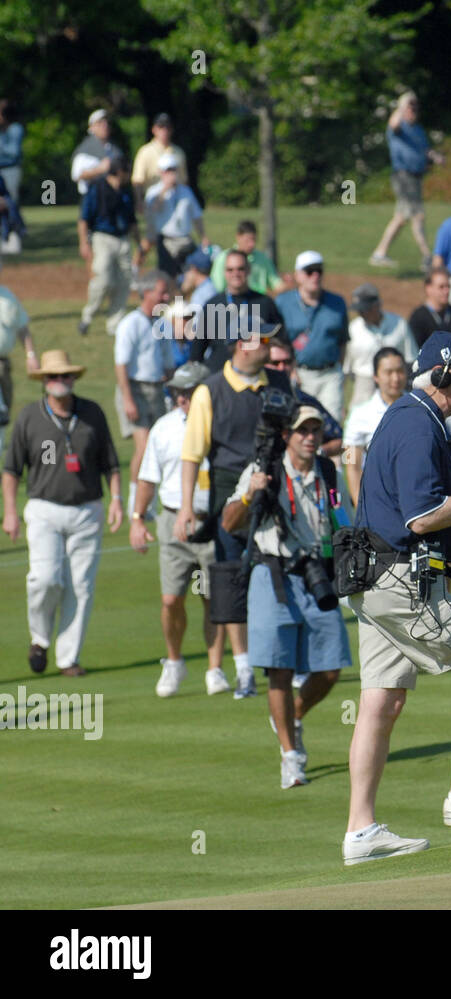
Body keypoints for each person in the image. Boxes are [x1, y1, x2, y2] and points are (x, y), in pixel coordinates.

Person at [343, 333, 451, 861]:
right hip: (399, 579)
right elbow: (422, 516)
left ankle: (361, 831)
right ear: (447, 374)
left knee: (382, 699)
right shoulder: (415, 422)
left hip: (375, 579)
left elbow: (438, 518)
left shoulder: (415, 417)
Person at [222, 405, 352, 788]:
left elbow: (345, 519)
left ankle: (292, 717)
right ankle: (290, 754)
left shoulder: (329, 472)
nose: (310, 436)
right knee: (278, 669)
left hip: (317, 574)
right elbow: (228, 523)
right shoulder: (265, 469)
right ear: (287, 435)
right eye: (302, 430)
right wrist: (250, 495)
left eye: (315, 429)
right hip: (272, 572)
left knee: (330, 669)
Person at [176, 319, 293, 699]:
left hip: (274, 486)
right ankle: (244, 668)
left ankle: (283, 660)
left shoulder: (278, 384)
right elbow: (192, 454)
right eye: (265, 341)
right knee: (233, 578)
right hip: (229, 492)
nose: (273, 349)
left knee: (282, 572)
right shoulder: (209, 391)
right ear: (244, 344)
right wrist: (185, 508)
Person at [3, 350, 122, 677]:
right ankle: (39, 638)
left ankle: (68, 658)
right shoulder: (29, 416)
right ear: (44, 381)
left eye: (65, 376)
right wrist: (10, 512)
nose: (59, 382)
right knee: (45, 580)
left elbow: (111, 463)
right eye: (53, 377)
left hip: (87, 510)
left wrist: (117, 500)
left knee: (80, 586)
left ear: (73, 378)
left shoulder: (92, 413)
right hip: (44, 509)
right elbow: (12, 469)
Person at [129, 362, 228, 696]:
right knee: (171, 599)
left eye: (189, 392)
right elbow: (147, 477)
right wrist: (137, 518)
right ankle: (174, 662)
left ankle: (215, 668)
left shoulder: (222, 423)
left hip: (212, 521)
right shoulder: (164, 427)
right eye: (178, 393)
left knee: (212, 598)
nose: (182, 399)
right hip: (173, 520)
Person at [113, 271, 173, 507]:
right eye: (162, 292)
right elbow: (121, 365)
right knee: (145, 445)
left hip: (156, 389)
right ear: (147, 293)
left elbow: (168, 365)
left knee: (157, 445)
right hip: (135, 388)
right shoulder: (131, 323)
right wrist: (127, 399)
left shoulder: (162, 323)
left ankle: (150, 500)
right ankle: (135, 501)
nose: (166, 297)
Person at [275, 250, 349, 420]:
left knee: (333, 423)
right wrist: (290, 370)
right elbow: (278, 342)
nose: (315, 276)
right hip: (300, 373)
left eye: (319, 271)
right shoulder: (283, 303)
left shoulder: (337, 303)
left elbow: (343, 341)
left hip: (330, 374)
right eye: (309, 271)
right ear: (298, 275)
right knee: (301, 420)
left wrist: (339, 370)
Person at [370, 92, 439, 270]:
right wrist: (402, 104)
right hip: (403, 176)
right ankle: (427, 257)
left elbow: (426, 150)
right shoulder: (399, 127)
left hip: (415, 178)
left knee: (401, 218)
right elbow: (392, 123)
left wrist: (436, 157)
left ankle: (379, 253)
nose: (413, 110)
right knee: (417, 215)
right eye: (410, 107)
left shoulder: (418, 129)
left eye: (415, 107)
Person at [77, 155, 142, 337]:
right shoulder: (96, 189)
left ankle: (114, 324)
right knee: (103, 278)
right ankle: (88, 316)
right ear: (120, 172)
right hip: (102, 237)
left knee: (124, 281)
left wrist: (139, 243)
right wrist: (84, 243)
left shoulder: (125, 193)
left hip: (123, 239)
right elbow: (83, 219)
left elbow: (132, 221)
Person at [190, 249, 283, 370]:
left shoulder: (265, 302)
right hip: (219, 375)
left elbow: (280, 341)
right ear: (224, 273)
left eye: (241, 269)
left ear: (249, 270)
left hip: (257, 374)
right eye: (230, 269)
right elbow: (197, 352)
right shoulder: (212, 305)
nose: (236, 274)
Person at [342, 347, 408, 505]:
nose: (395, 378)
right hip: (377, 497)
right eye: (388, 372)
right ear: (376, 377)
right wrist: (360, 505)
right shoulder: (360, 414)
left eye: (400, 371)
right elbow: (352, 464)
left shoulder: (419, 407)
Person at [343, 283, 415, 415]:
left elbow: (411, 358)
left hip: (394, 381)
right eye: (359, 310)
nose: (361, 313)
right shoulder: (353, 329)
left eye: (365, 309)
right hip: (364, 384)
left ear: (377, 305)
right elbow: (346, 367)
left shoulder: (399, 324)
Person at [143, 153, 206, 278]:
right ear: (160, 172)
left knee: (185, 275)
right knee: (167, 276)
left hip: (184, 239)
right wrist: (165, 189)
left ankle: (179, 298)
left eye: (173, 170)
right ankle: (170, 297)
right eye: (167, 170)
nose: (171, 173)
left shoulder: (185, 191)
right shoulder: (154, 192)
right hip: (166, 241)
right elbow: (153, 210)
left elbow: (196, 215)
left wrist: (203, 236)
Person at [0, 258, 38, 450]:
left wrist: (30, 355)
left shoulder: (7, 296)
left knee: (3, 414)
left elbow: (22, 328)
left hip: (3, 366)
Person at [211, 221, 282, 296]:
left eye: (254, 240)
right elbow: (218, 288)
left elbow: (276, 283)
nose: (252, 244)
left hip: (258, 302)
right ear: (238, 237)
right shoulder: (224, 258)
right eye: (248, 240)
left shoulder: (262, 258)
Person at [131, 112, 187, 204]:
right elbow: (138, 180)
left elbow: (184, 180)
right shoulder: (145, 151)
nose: (164, 131)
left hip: (176, 199)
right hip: (152, 198)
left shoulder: (179, 152)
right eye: (161, 127)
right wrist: (139, 201)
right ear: (154, 129)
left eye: (167, 128)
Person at [408, 266, 451, 348]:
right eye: (441, 287)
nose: (446, 291)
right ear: (428, 288)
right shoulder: (418, 318)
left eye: (448, 286)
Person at [71, 110, 122, 196]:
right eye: (100, 123)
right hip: (92, 196)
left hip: (113, 196)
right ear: (91, 127)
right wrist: (100, 170)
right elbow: (76, 175)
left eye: (106, 122)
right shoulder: (85, 149)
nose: (105, 125)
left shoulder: (114, 148)